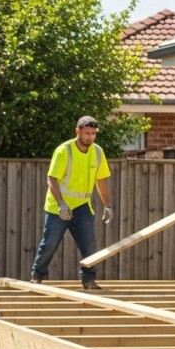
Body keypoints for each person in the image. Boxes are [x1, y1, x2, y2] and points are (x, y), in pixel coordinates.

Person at [30, 116, 113, 291]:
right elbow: (52, 179)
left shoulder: (97, 152)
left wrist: (107, 205)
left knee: (89, 245)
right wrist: (61, 204)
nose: (89, 137)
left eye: (93, 134)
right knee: (50, 243)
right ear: (77, 131)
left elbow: (101, 180)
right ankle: (37, 276)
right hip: (58, 207)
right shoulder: (64, 151)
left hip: (82, 205)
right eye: (86, 133)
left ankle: (89, 281)